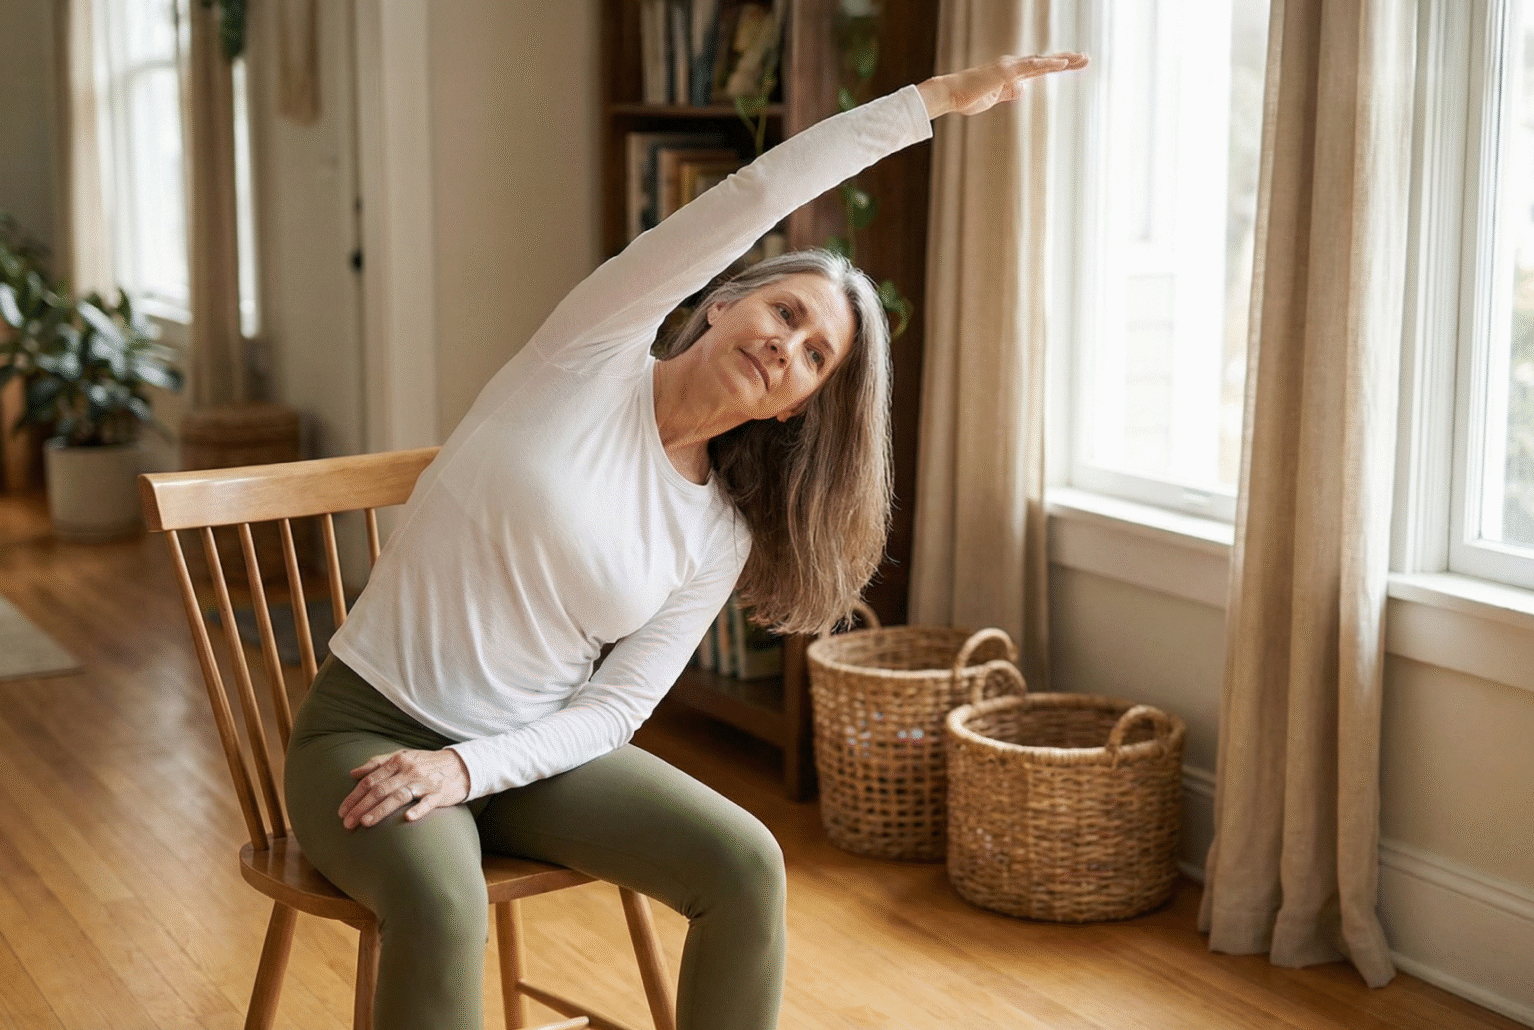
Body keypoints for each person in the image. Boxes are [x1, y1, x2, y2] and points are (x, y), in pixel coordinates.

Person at [284, 52, 1088, 1030]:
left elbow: (614, 709)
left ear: (801, 403)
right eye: (783, 312)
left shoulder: (719, 529)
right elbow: (758, 192)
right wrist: (929, 103)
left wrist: (472, 768)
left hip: (526, 755)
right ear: (722, 299)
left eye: (812, 356)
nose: (784, 345)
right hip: (371, 727)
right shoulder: (587, 355)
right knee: (445, 902)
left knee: (744, 862)